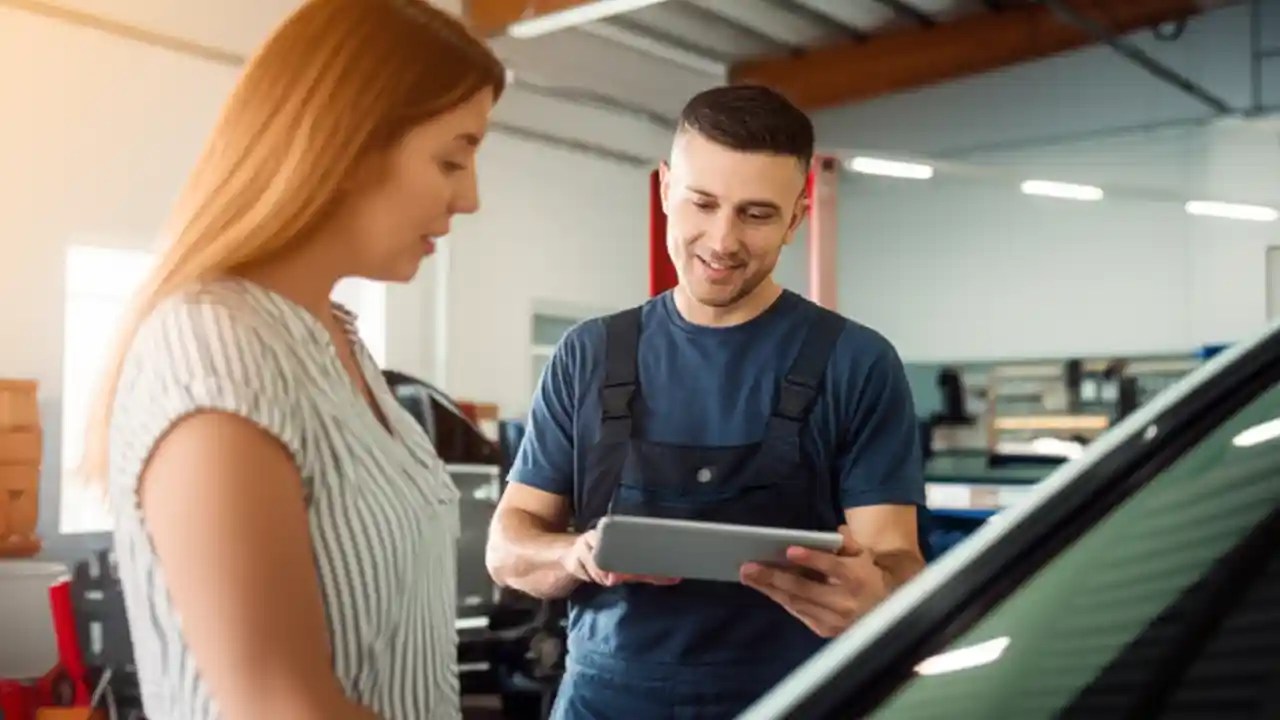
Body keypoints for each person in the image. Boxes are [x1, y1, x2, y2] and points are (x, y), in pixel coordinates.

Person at [77, 2, 505, 718]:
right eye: (451, 159)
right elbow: (280, 705)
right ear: (345, 146)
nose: (469, 197)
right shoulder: (215, 347)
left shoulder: (340, 344)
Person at [485, 84, 927, 719]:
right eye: (702, 203)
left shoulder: (856, 363)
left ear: (797, 218)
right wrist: (574, 554)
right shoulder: (587, 355)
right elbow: (506, 550)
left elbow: (899, 563)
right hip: (603, 703)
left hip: (790, 701)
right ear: (665, 188)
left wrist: (875, 596)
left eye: (755, 214)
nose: (721, 241)